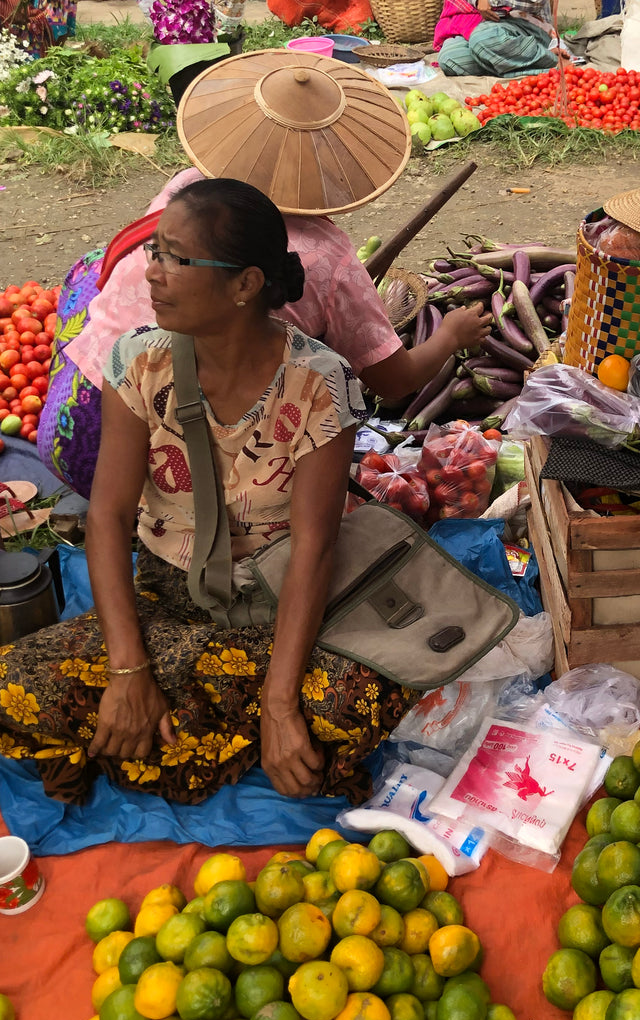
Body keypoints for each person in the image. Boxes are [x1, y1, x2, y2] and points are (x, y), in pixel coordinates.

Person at [0, 178, 418, 806]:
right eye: (156, 252)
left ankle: (193, 726)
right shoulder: (137, 364)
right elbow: (107, 518)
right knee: (12, 681)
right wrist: (128, 670)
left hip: (279, 607)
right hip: (166, 599)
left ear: (245, 284)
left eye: (176, 259)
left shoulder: (319, 384)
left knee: (355, 699)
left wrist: (280, 702)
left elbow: (314, 548)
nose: (152, 273)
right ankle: (201, 718)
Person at [38, 54, 491, 499]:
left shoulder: (188, 187)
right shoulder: (327, 256)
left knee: (93, 266)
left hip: (67, 423)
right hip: (166, 478)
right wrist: (450, 335)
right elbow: (393, 382)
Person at [437, 0, 559, 79]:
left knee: (481, 38)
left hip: (528, 26)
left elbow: (536, 2)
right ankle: (511, 63)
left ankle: (552, 58)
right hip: (484, 25)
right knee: (449, 58)